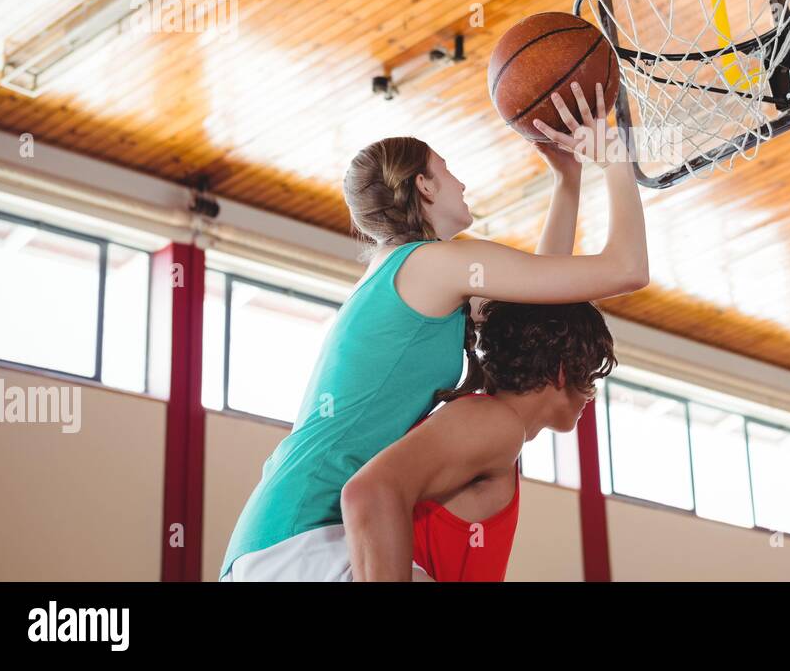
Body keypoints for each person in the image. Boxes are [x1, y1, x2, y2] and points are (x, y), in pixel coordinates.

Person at [221, 82, 645, 580]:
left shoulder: (411, 275)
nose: (461, 185)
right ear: (424, 185)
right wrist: (616, 159)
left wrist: (567, 181)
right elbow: (627, 268)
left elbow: (539, 314)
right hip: (303, 536)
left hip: (282, 534)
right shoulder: (433, 266)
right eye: (448, 171)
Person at [344, 299, 616, 581]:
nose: (590, 395)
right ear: (562, 371)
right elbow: (369, 491)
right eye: (590, 378)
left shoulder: (493, 427)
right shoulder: (495, 422)